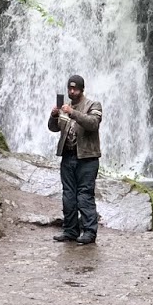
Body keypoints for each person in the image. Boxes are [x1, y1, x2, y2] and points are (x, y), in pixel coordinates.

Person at [47, 74, 103, 244]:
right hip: (68, 157)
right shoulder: (65, 107)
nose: (72, 91)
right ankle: (70, 230)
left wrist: (73, 113)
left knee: (84, 195)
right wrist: (54, 115)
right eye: (70, 88)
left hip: (87, 158)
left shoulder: (93, 105)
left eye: (75, 88)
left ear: (82, 89)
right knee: (68, 196)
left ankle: (89, 232)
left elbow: (93, 123)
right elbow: (53, 128)